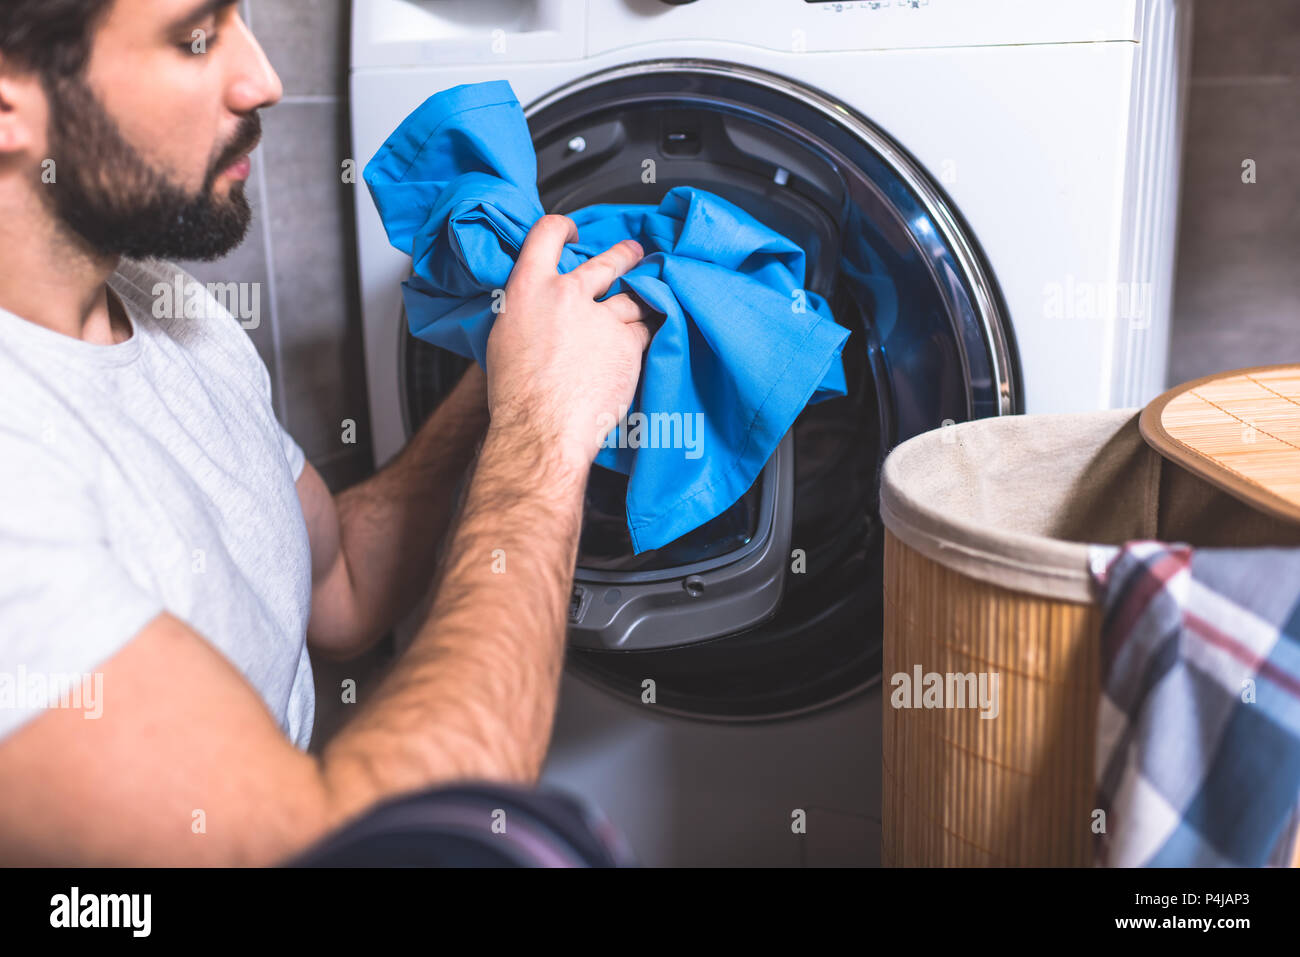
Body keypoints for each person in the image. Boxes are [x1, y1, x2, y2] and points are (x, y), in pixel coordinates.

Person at [0, 0, 650, 865]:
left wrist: (503, 378)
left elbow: (338, 583)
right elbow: (387, 848)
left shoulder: (167, 305)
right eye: (196, 37)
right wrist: (547, 432)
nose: (263, 80)